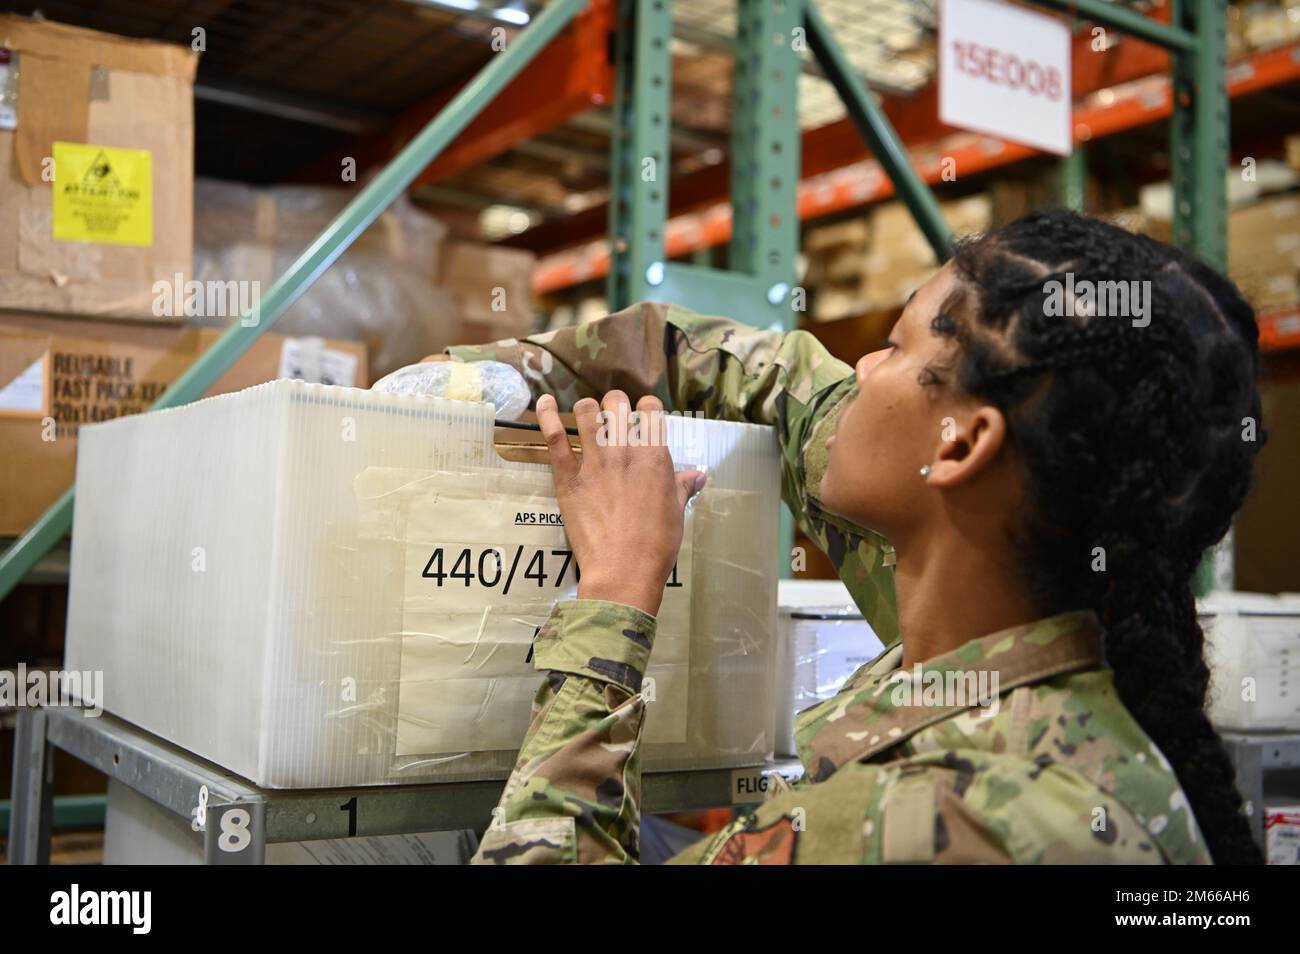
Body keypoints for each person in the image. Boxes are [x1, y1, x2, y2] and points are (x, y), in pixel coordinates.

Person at [439, 209, 1264, 864]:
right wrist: (505, 374)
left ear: (962, 446)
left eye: (895, 349)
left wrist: (617, 594)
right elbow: (779, 380)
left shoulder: (932, 819)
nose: (861, 370)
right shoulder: (1018, 595)